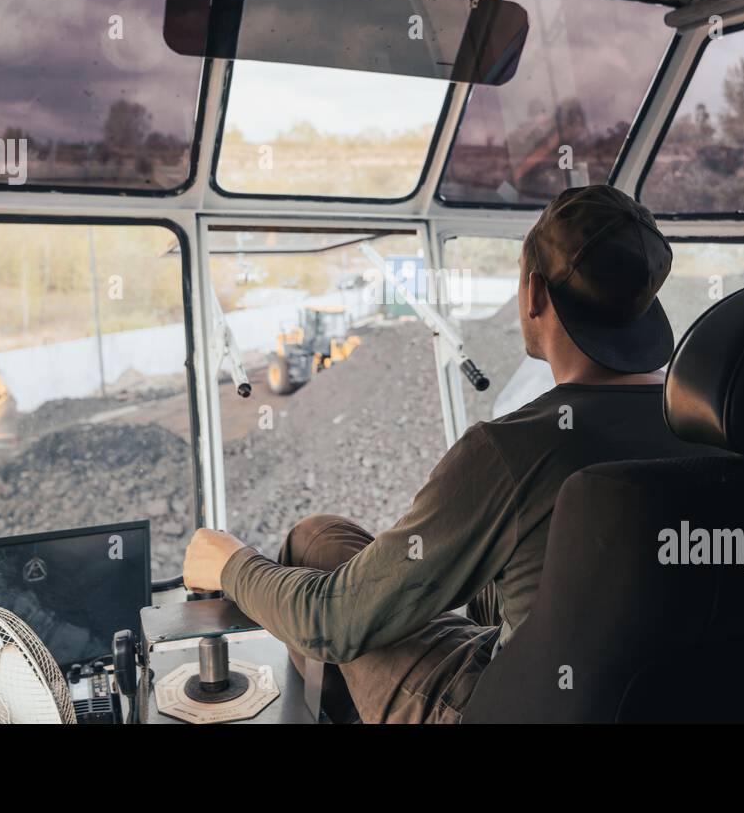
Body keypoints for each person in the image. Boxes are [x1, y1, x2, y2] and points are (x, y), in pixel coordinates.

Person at [184, 184, 711, 722]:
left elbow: (332, 622)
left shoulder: (516, 449)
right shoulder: (713, 430)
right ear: (645, 305)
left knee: (318, 564)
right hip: (652, 694)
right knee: (324, 540)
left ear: (533, 294)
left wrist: (230, 563)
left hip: (505, 706)